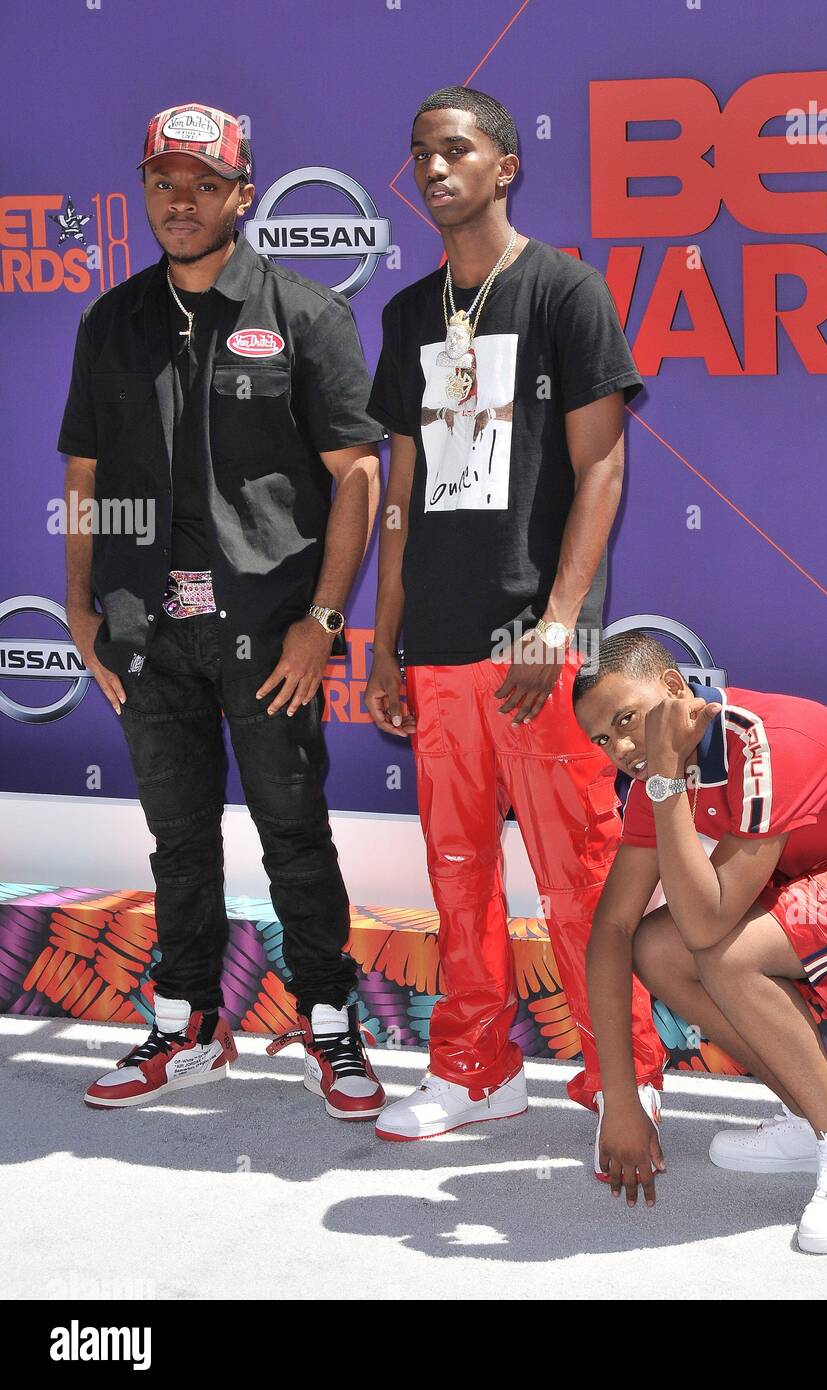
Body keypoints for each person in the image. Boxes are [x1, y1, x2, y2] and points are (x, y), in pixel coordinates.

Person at [59, 103, 387, 1119]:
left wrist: (324, 620)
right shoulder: (110, 320)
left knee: (294, 828)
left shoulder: (305, 315)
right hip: (145, 627)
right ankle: (188, 1021)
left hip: (271, 629)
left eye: (205, 183)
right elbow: (85, 472)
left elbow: (358, 477)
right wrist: (78, 607)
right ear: (143, 189)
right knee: (177, 836)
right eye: (165, 181)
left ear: (244, 196)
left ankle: (330, 1024)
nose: (182, 200)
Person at [363, 86, 666, 1141]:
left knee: (581, 876)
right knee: (457, 877)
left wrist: (558, 622)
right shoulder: (406, 315)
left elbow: (603, 467)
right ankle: (475, 1067)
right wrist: (384, 635)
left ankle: (618, 1080)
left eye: (456, 150)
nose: (434, 170)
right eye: (420, 153)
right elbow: (399, 493)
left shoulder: (564, 291)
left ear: (506, 165)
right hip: (439, 651)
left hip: (543, 653)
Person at [574, 631, 827, 1253]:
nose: (623, 748)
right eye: (603, 739)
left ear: (671, 687)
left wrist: (665, 783)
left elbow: (708, 924)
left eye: (628, 719)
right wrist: (622, 1098)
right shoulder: (653, 776)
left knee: (724, 953)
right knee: (657, 950)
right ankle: (807, 1117)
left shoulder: (760, 741)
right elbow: (612, 930)